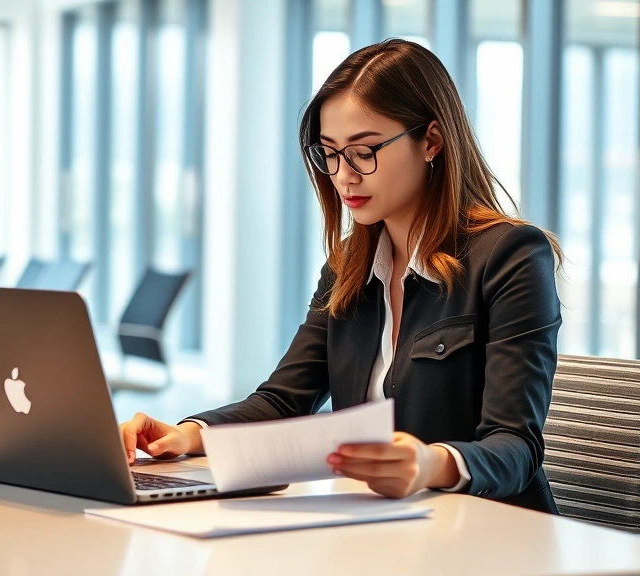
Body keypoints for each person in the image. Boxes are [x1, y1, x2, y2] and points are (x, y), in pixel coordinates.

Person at [119, 39, 563, 514]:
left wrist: (430, 464)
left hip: (491, 534)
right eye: (329, 153)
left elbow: (516, 445)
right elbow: (284, 399)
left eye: (364, 151)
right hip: (375, 528)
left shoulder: (511, 256)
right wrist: (188, 433)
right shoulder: (350, 265)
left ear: (431, 141)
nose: (343, 175)